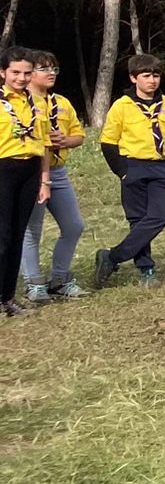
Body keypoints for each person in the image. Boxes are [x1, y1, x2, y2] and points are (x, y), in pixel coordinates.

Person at [93, 54, 165, 291]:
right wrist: (123, 172)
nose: (152, 81)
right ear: (134, 78)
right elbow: (108, 142)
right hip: (133, 166)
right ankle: (146, 268)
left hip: (161, 167)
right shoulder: (122, 106)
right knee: (138, 220)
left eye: (156, 75)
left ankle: (112, 257)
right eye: (146, 76)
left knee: (159, 216)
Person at [19, 51, 86, 307]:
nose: (51, 74)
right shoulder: (22, 103)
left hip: (58, 171)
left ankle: (59, 279)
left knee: (74, 225)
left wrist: (66, 140)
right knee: (31, 230)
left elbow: (79, 135)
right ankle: (34, 283)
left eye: (54, 69)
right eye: (44, 69)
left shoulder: (62, 103)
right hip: (31, 171)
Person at [0, 48, 51, 318]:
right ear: (3, 73)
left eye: (27, 73)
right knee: (3, 236)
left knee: (18, 235)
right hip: (3, 168)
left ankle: (8, 298)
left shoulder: (37, 102)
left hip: (30, 170)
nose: (21, 78)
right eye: (15, 72)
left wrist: (45, 180)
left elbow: (42, 145)